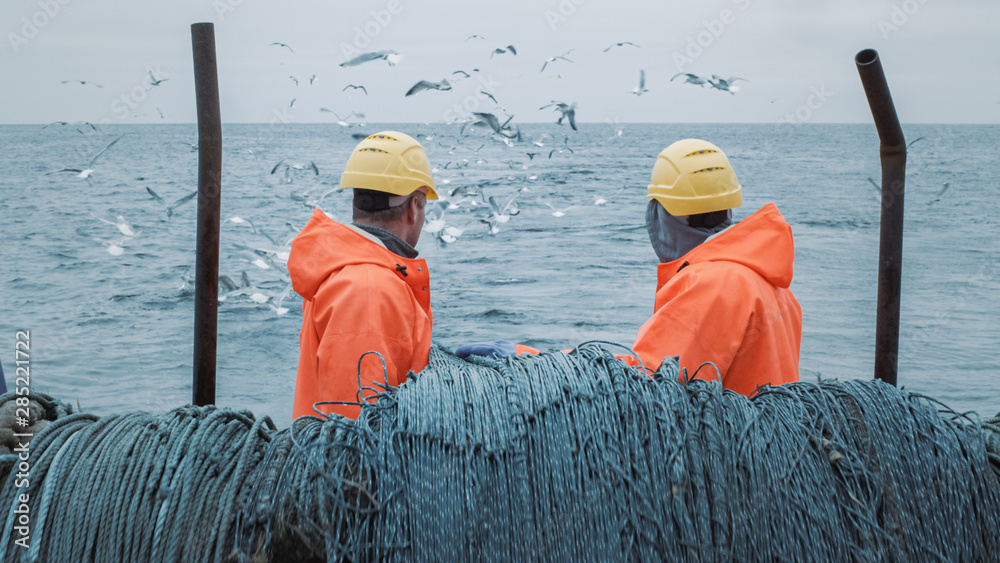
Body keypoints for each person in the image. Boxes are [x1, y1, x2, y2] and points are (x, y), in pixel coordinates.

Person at [630, 138, 802, 395]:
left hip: (730, 435)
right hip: (773, 432)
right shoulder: (774, 285)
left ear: (678, 215)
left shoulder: (710, 285)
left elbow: (649, 382)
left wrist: (555, 364)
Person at [288, 131, 437, 419]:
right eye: (424, 204)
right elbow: (353, 425)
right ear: (414, 208)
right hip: (348, 462)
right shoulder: (369, 289)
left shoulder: (349, 270)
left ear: (356, 201)